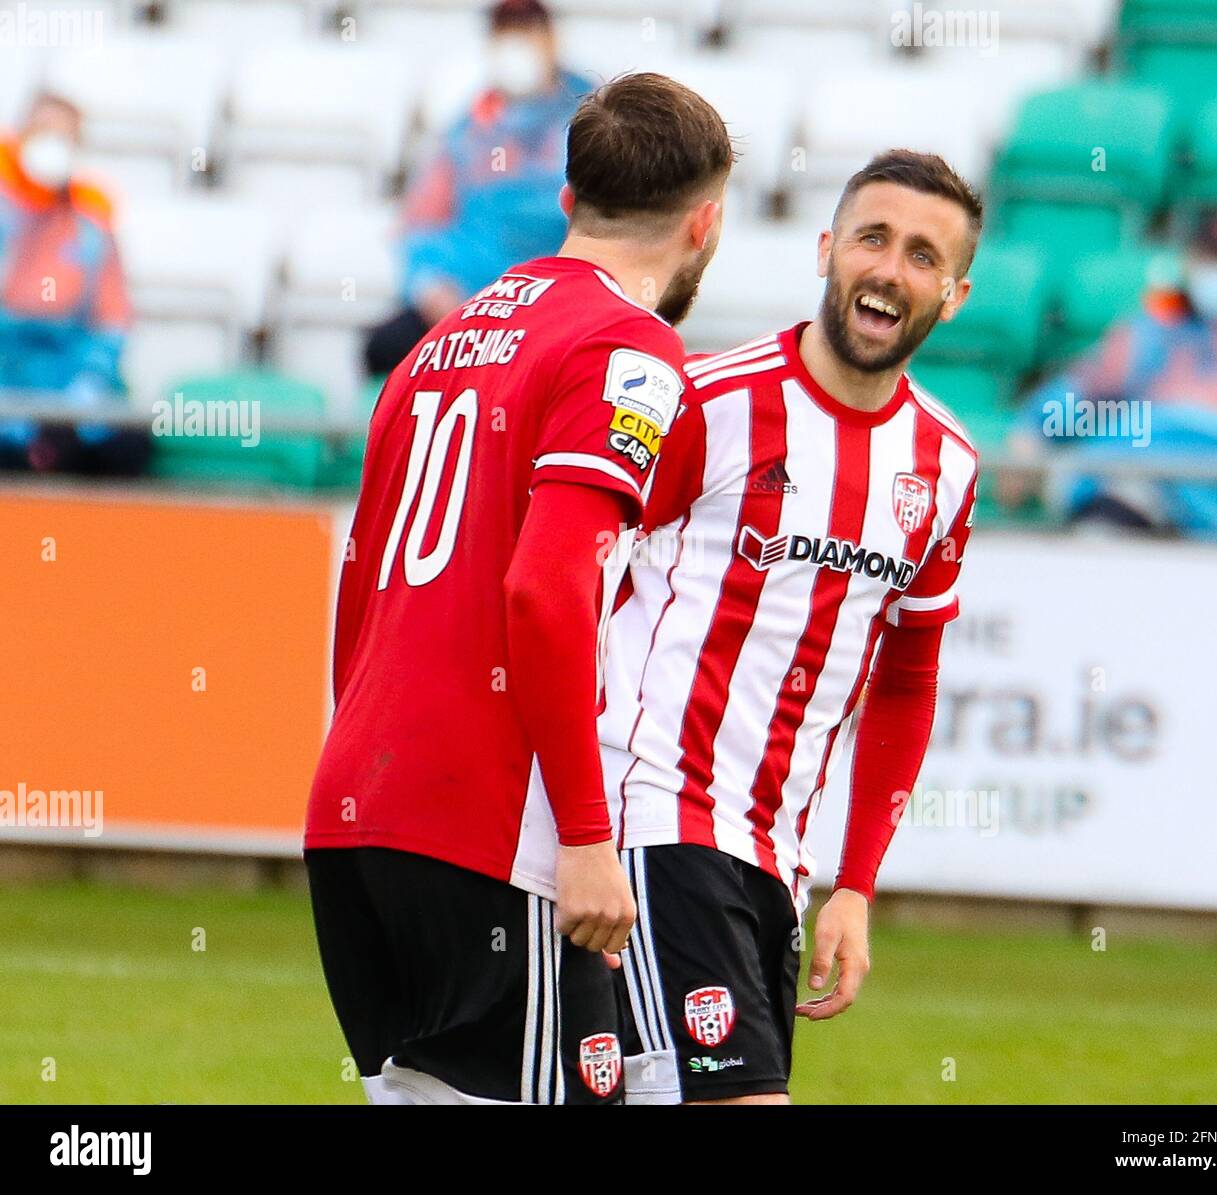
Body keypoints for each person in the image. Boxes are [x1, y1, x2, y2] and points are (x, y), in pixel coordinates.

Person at [304, 72, 733, 1106]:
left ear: (566, 199)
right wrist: (587, 838)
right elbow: (547, 591)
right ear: (707, 222)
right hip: (495, 825)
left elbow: (359, 589)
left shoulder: (437, 346)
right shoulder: (627, 351)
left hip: (361, 808)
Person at [592, 150, 982, 1104]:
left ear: (954, 296)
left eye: (924, 255)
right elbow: (580, 582)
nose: (892, 268)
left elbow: (906, 677)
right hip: (654, 819)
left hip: (778, 861)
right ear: (826, 249)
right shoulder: (706, 403)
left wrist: (854, 883)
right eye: (874, 238)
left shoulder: (947, 466)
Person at [1006, 210, 1217, 541]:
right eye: (1213, 259)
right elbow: (1068, 402)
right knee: (1111, 518)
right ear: (1190, 264)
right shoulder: (1149, 334)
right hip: (1129, 494)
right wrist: (1031, 435)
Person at [364, 0, 592, 376]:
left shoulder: (591, 118)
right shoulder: (466, 128)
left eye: (526, 31)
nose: (515, 45)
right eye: (505, 33)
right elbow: (421, 224)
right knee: (388, 347)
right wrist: (431, 288)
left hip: (557, 305)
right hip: (465, 303)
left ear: (552, 39)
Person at [0, 92, 146, 476]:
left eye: (65, 139)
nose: (52, 147)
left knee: (127, 447)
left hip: (71, 405)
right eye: (44, 132)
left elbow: (111, 325)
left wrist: (75, 408)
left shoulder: (91, 226)